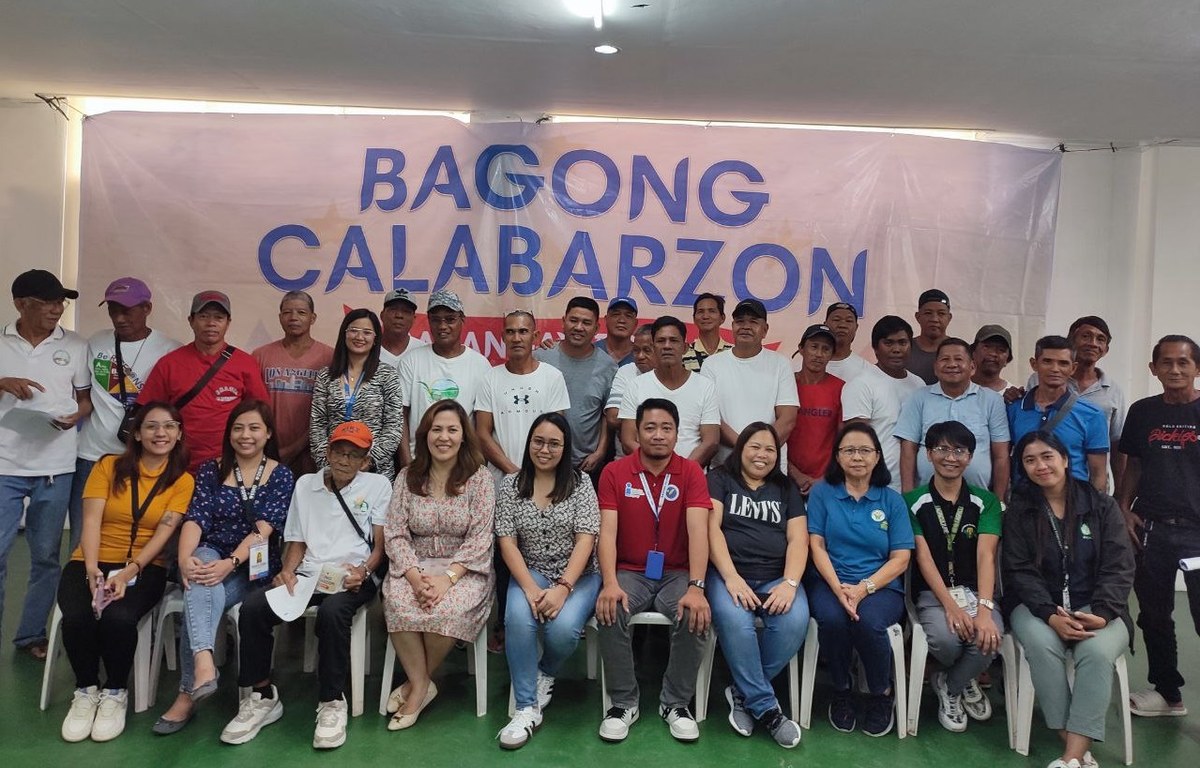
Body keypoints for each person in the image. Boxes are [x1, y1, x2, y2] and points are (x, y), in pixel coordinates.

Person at [221, 420, 389, 749]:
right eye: (338, 452)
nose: (344, 460)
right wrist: (287, 571)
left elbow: (380, 547)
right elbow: (296, 539)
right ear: (326, 452)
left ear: (366, 461)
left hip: (355, 575)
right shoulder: (305, 485)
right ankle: (262, 693)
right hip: (310, 572)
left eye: (353, 456)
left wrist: (364, 571)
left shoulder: (379, 486)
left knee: (333, 614)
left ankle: (331, 702)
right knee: (253, 608)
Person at [153, 400, 295, 734]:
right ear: (229, 433)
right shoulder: (210, 470)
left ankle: (189, 690)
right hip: (209, 552)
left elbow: (265, 528)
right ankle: (203, 664)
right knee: (200, 577)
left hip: (252, 565)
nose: (245, 435)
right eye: (238, 428)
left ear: (268, 433)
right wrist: (187, 559)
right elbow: (196, 518)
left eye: (254, 428)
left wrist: (229, 563)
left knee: (201, 591)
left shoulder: (281, 474)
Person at [56, 402, 193, 742]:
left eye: (168, 426)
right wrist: (90, 569)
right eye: (151, 426)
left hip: (145, 567)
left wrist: (129, 569)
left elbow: (164, 533)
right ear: (136, 432)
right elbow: (90, 520)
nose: (160, 433)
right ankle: (86, 690)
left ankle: (115, 691)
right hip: (90, 559)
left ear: (178, 434)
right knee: (76, 616)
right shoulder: (109, 466)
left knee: (119, 618)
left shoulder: (182, 480)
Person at [1003, 430, 1134, 768]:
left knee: (1096, 650)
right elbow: (1018, 570)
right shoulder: (1020, 511)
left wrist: (1103, 614)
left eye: (1047, 456)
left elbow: (1119, 566)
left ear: (1064, 459)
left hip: (1100, 606)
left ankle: (1071, 757)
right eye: (1030, 460)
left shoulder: (1101, 505)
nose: (1040, 465)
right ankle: (1078, 749)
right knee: (1042, 645)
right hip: (1037, 607)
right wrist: (1049, 614)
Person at [595, 398, 712, 743]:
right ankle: (623, 703)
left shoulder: (691, 472)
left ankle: (675, 703)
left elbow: (698, 531)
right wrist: (610, 582)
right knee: (610, 607)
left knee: (695, 612)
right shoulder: (614, 472)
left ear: (677, 434)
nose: (658, 435)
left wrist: (697, 586)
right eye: (650, 427)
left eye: (666, 428)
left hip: (677, 572)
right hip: (630, 570)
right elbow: (608, 532)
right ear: (636, 433)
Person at [381, 400, 494, 730]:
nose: (443, 437)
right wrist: (415, 577)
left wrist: (447, 578)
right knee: (399, 602)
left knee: (446, 610)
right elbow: (396, 533)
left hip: (465, 569)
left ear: (464, 437)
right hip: (414, 565)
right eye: (436, 429)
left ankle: (413, 690)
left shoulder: (480, 479)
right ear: (425, 434)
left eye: (452, 430)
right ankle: (422, 682)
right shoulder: (407, 477)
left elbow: (480, 537)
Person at [495, 413, 601, 749]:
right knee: (516, 618)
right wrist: (529, 587)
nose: (545, 449)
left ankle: (545, 670)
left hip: (579, 575)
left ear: (565, 447)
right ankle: (526, 708)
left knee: (563, 629)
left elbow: (587, 539)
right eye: (538, 441)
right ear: (529, 444)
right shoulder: (511, 484)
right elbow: (507, 542)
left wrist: (563, 588)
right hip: (532, 570)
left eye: (554, 443)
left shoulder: (581, 483)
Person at [0, 269, 90, 658]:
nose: (57, 309)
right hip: (5, 464)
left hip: (56, 465)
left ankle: (31, 634)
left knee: (46, 556)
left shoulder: (75, 345)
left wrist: (76, 416)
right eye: (48, 302)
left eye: (61, 302)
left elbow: (85, 400)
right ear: (21, 304)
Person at [806, 422, 914, 737]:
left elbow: (901, 558)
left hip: (880, 586)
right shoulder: (823, 492)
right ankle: (841, 690)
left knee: (868, 621)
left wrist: (864, 588)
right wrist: (839, 588)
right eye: (849, 450)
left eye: (865, 450)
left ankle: (881, 693)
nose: (857, 457)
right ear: (837, 457)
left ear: (878, 456)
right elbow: (817, 545)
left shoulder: (891, 500)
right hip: (830, 581)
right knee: (833, 618)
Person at [706, 422, 808, 748]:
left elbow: (798, 539)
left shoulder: (785, 487)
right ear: (741, 449)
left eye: (769, 449)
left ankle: (743, 691)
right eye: (755, 446)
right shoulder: (720, 478)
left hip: (777, 576)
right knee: (737, 623)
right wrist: (731, 576)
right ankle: (768, 709)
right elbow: (712, 530)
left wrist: (790, 583)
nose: (762, 454)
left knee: (793, 622)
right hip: (729, 575)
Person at [1118, 334, 1200, 718]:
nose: (1175, 369)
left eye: (1183, 362)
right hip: (1150, 528)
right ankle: (1168, 694)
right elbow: (1132, 463)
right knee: (1153, 615)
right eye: (1166, 362)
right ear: (1153, 368)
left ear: (1196, 368)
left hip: (1197, 532)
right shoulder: (1142, 412)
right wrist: (1123, 505)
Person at [903, 421, 1003, 733]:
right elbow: (923, 557)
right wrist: (950, 606)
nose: (951, 457)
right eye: (942, 449)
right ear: (928, 454)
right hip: (933, 596)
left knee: (989, 638)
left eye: (959, 450)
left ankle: (951, 683)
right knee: (946, 641)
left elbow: (986, 556)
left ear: (970, 457)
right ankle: (962, 677)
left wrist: (984, 611)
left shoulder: (985, 502)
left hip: (976, 592)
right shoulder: (911, 502)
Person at [73, 277, 180, 553]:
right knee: (83, 537)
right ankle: (80, 593)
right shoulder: (95, 342)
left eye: (127, 310)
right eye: (112, 310)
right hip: (92, 456)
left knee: (139, 537)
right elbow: (83, 397)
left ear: (147, 308)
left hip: (145, 460)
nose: (119, 318)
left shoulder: (170, 350)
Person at [137, 290, 269, 472]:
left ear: (228, 323)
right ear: (191, 321)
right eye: (204, 316)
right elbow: (149, 413)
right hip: (178, 466)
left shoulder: (245, 363)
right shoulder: (169, 363)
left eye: (219, 317)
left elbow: (261, 413)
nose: (211, 323)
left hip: (230, 466)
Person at [896, 337, 1010, 499]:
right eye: (945, 359)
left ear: (972, 367)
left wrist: (998, 502)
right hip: (926, 499)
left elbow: (1001, 455)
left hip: (979, 500)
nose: (951, 364)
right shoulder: (918, 397)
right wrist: (908, 497)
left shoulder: (992, 400)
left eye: (958, 359)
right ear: (935, 368)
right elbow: (908, 449)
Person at [1027, 317, 1128, 491]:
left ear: (1106, 350)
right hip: (1037, 482)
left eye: (1100, 339)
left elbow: (1117, 444)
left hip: (1087, 489)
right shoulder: (1040, 379)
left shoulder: (1113, 391)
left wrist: (1119, 495)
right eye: (1086, 336)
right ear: (1071, 340)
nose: (1093, 343)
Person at [396, 289, 491, 467]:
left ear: (462, 320)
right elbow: (400, 416)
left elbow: (483, 426)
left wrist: (476, 466)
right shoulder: (412, 361)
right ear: (429, 322)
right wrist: (407, 464)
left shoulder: (480, 365)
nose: (442, 326)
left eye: (450, 319)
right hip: (420, 464)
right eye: (436, 320)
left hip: (463, 467)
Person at [700, 298, 798, 466]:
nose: (745, 327)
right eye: (740, 322)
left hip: (768, 467)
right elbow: (710, 417)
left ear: (765, 330)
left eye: (753, 322)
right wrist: (745, 449)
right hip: (725, 465)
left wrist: (758, 451)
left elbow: (787, 419)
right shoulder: (712, 364)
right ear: (732, 327)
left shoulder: (781, 364)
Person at [310, 308, 403, 479]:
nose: (359, 337)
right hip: (332, 471)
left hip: (374, 473)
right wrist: (331, 463)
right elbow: (317, 425)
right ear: (344, 334)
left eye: (367, 332)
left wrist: (366, 462)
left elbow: (393, 427)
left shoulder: (387, 375)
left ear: (375, 339)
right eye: (353, 330)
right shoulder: (325, 376)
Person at [476, 310, 570, 479]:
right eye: (510, 332)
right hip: (501, 481)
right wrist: (514, 473)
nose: (516, 338)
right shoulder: (490, 378)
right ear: (503, 336)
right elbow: (482, 434)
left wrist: (534, 474)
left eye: (523, 331)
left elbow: (557, 432)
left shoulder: (553, 377)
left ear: (535, 336)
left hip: (542, 480)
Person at [1007, 335, 1109, 492]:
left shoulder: (1092, 414)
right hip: (1025, 503)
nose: (1055, 369)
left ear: (1073, 368)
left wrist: (1092, 512)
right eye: (1047, 361)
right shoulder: (1014, 408)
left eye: (1063, 363)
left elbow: (1098, 474)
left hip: (1073, 504)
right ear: (1034, 364)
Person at [618, 315, 720, 466]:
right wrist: (658, 468)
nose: (667, 346)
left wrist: (682, 472)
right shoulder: (636, 385)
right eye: (661, 341)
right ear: (653, 347)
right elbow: (628, 441)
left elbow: (710, 442)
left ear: (685, 347)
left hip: (690, 477)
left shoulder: (705, 386)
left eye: (673, 340)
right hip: (645, 476)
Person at [252, 290, 333, 476]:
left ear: (313, 318)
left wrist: (296, 447)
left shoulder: (330, 357)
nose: (293, 317)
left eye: (301, 312)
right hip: (267, 451)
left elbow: (329, 412)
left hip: (312, 454)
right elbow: (253, 408)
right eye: (287, 312)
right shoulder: (260, 355)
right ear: (280, 317)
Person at [840, 315, 926, 492]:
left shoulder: (919, 385)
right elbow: (856, 441)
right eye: (889, 343)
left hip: (914, 486)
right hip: (873, 486)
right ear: (875, 348)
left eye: (903, 343)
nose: (896, 349)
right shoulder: (861, 384)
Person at [534, 297, 617, 476]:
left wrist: (600, 452)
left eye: (587, 323)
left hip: (585, 465)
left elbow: (606, 415)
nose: (579, 327)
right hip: (542, 459)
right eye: (574, 320)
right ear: (563, 322)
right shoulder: (541, 358)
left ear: (596, 328)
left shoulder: (608, 367)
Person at [788, 324, 844, 495]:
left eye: (825, 349)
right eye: (814, 347)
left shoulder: (840, 388)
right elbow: (775, 435)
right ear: (801, 349)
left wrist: (825, 478)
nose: (819, 354)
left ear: (831, 355)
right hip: (784, 477)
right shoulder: (785, 384)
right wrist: (796, 474)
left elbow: (844, 441)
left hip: (827, 482)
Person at [605, 324, 655, 459]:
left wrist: (630, 425)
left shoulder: (672, 378)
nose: (640, 356)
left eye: (647, 350)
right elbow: (613, 417)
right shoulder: (627, 371)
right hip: (626, 460)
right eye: (636, 350)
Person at [908, 289, 953, 384]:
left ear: (949, 317)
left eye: (941, 313)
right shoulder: (904, 349)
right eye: (928, 313)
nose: (934, 319)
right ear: (917, 316)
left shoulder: (960, 350)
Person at [822, 302, 872, 385]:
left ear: (856, 327)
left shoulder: (866, 370)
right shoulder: (805, 366)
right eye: (836, 320)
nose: (842, 325)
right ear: (825, 324)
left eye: (848, 321)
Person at [377, 288, 427, 370]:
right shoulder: (368, 349)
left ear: (414, 319)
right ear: (382, 315)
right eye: (393, 309)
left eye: (406, 311)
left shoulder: (424, 351)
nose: (399, 315)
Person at [682, 293, 732, 372]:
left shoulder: (733, 353)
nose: (705, 316)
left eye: (712, 311)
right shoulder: (683, 355)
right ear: (694, 319)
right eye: (700, 312)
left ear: (722, 318)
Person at [971, 324, 1015, 393]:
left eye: (1001, 350)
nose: (993, 353)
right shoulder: (956, 388)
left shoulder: (1014, 397)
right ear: (973, 352)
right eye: (987, 346)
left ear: (1007, 359)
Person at [595, 296, 638, 367]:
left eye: (628, 316)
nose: (621, 320)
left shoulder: (642, 355)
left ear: (635, 323)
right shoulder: (592, 351)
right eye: (616, 314)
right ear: (606, 319)